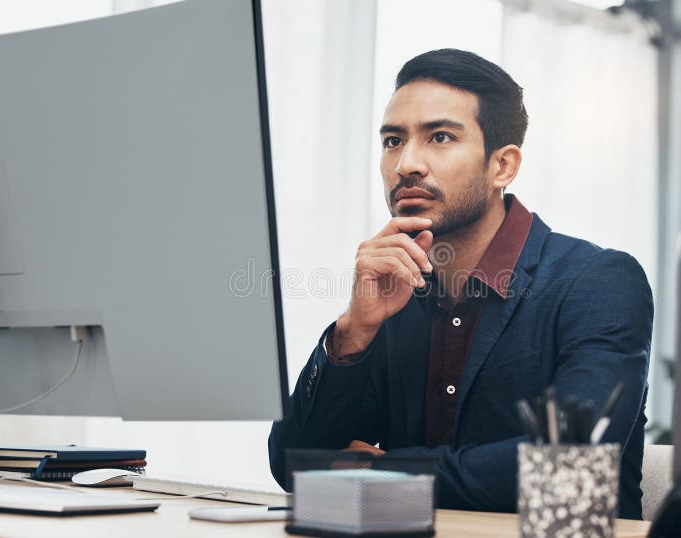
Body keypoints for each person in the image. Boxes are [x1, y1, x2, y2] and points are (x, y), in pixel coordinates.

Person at [268, 48, 653, 520]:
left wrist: (390, 471)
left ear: (503, 167)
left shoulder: (596, 280)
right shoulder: (396, 291)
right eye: (393, 141)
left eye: (440, 137)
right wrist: (354, 332)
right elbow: (293, 467)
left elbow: (569, 464)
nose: (407, 163)